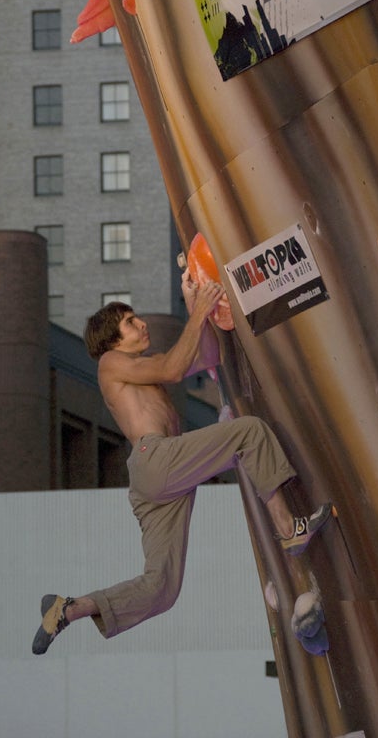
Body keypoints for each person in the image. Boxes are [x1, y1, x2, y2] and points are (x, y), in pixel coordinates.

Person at [32, 270, 331, 654]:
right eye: (130, 322)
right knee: (249, 432)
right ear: (112, 339)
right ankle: (290, 529)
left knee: (162, 589)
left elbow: (206, 356)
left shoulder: (141, 369)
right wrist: (200, 311)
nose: (142, 323)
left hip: (161, 478)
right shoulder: (110, 362)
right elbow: (175, 368)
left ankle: (69, 609)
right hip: (156, 460)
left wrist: (195, 306)